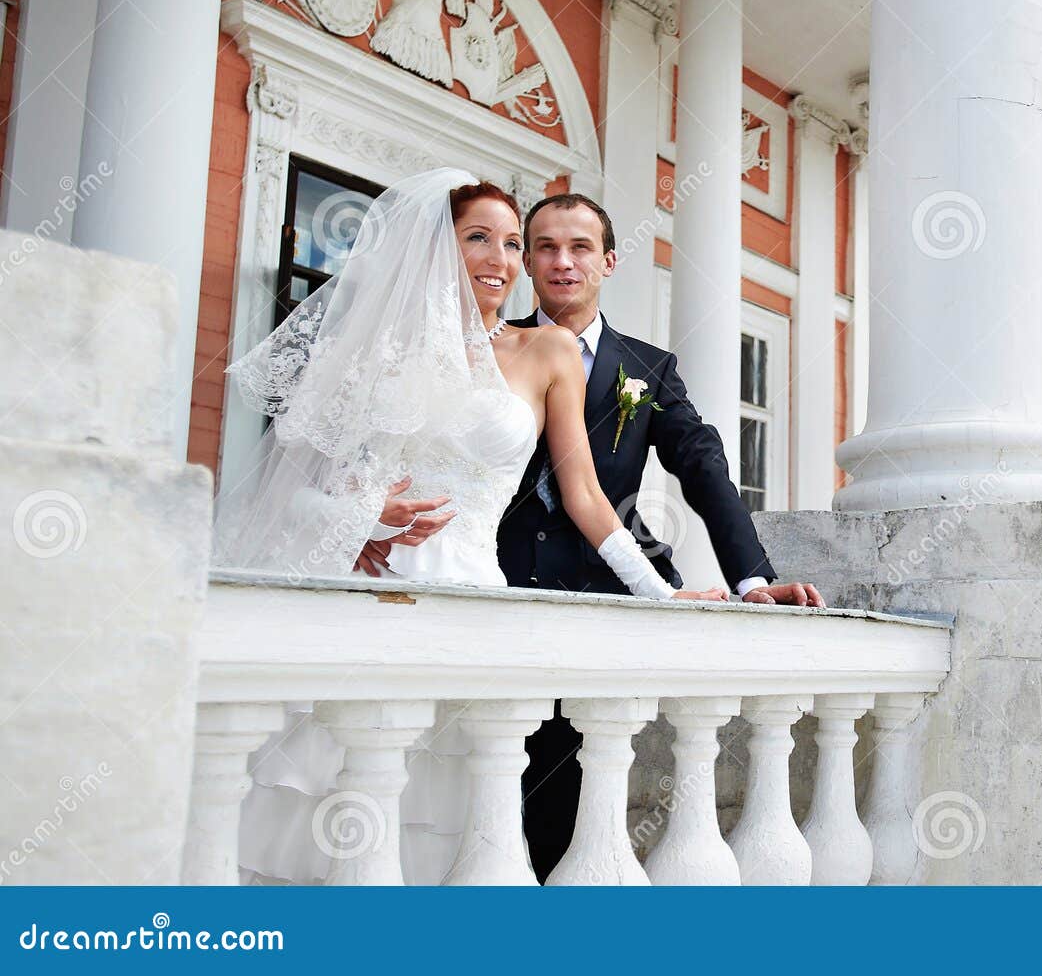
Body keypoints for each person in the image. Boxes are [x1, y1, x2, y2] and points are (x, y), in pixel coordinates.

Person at [214, 168, 726, 884]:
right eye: (478, 238)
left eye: (512, 243)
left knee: (455, 819)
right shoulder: (381, 358)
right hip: (374, 598)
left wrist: (664, 597)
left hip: (473, 599)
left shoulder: (544, 355)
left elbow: (585, 495)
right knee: (341, 801)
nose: (501, 258)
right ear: (436, 247)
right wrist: (363, 516)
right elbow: (302, 494)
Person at [491, 190, 824, 880]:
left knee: (576, 798)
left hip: (608, 597)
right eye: (545, 246)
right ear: (528, 263)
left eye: (580, 247)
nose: (562, 261)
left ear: (608, 260)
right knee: (489, 790)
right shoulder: (491, 346)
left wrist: (752, 577)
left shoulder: (647, 369)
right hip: (498, 590)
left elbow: (703, 469)